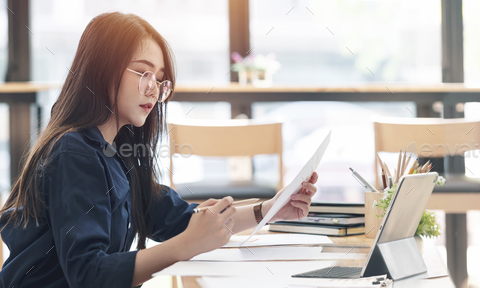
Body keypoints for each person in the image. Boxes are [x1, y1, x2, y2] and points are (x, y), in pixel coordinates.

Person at [0, 12, 319, 288]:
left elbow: (182, 219)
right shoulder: (75, 153)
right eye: (142, 72)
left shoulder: (118, 152)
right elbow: (88, 275)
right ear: (101, 69)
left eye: (161, 80)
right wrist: (184, 246)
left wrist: (268, 209)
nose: (153, 87)